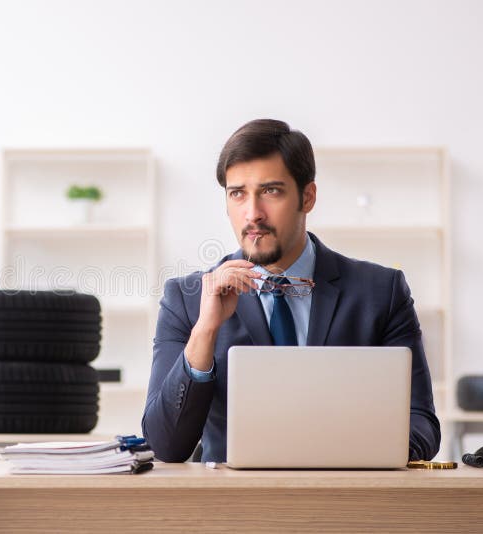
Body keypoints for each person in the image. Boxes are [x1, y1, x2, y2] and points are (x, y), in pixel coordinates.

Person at [141, 118, 441, 463]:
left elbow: (422, 426)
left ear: (307, 197)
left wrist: (343, 452)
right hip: (230, 509)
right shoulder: (187, 299)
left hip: (346, 502)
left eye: (271, 191)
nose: (252, 213)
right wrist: (205, 330)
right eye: (237, 194)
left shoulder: (381, 292)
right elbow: (166, 445)